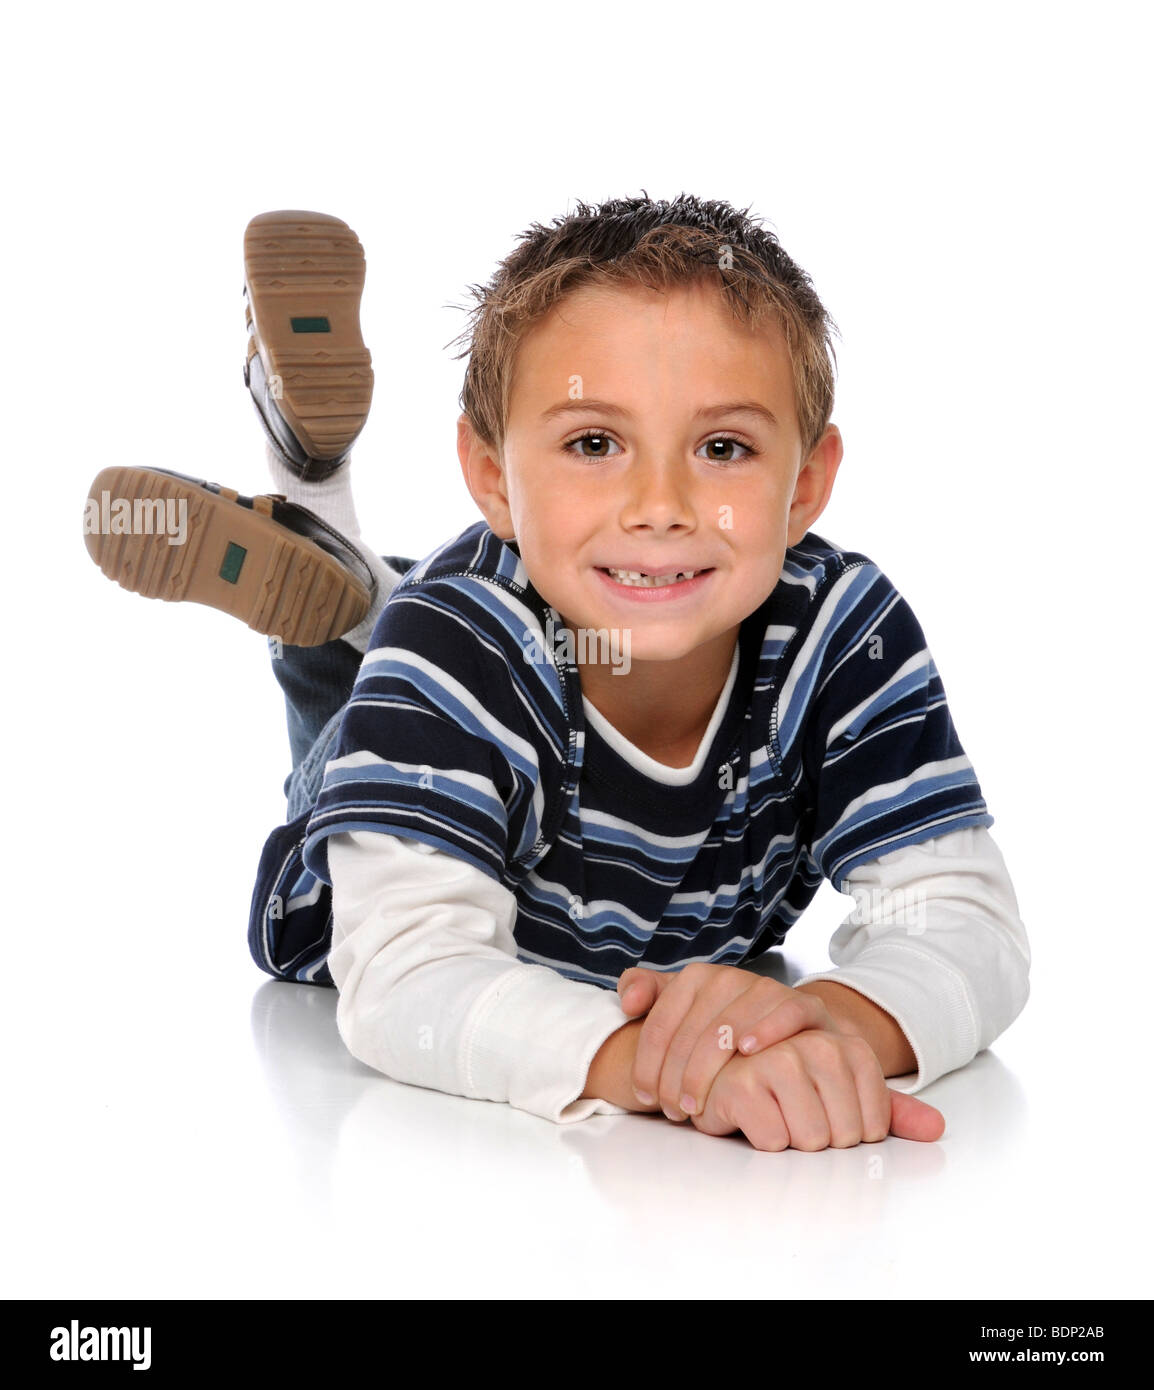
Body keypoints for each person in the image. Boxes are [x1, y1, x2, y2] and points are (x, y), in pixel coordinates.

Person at [83, 196, 1030, 1152]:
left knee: (466, 634)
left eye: (724, 448)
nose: (661, 505)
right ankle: (324, 522)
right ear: (491, 476)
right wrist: (662, 1062)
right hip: (412, 770)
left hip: (529, 633)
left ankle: (358, 579)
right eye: (593, 443)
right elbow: (407, 974)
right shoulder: (462, 648)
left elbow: (965, 920)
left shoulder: (841, 632)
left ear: (808, 485)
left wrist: (821, 1023)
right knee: (389, 692)